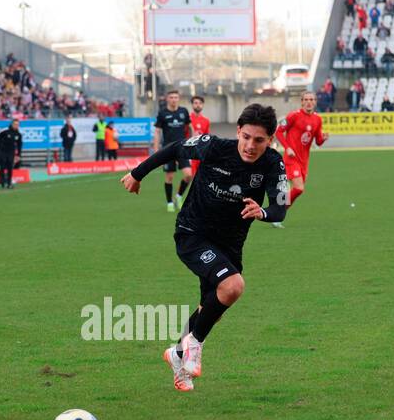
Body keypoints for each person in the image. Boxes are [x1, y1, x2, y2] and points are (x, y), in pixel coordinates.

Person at [119, 104, 288, 391]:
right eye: (246, 137)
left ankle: (177, 355)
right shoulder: (214, 146)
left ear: (270, 139)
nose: (250, 145)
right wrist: (137, 173)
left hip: (229, 243)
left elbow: (280, 208)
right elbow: (174, 148)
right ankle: (193, 345)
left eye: (259, 140)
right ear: (237, 132)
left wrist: (263, 213)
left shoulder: (273, 163)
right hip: (192, 234)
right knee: (233, 286)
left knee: (212, 307)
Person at [273, 91, 329, 226]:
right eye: (306, 99)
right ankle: (278, 213)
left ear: (315, 102)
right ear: (302, 102)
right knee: (299, 188)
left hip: (304, 161)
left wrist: (323, 139)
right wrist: (287, 148)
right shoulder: (294, 116)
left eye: (312, 99)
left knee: (298, 190)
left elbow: (318, 141)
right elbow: (278, 132)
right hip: (291, 159)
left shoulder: (317, 119)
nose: (309, 102)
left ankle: (277, 212)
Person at [154, 89, 193, 212]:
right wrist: (156, 149)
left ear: (178, 98)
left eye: (176, 97)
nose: (174, 99)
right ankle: (169, 202)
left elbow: (190, 127)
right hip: (168, 150)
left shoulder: (183, 111)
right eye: (171, 97)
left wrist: (192, 142)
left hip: (182, 148)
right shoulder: (162, 113)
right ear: (167, 99)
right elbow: (157, 131)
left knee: (188, 175)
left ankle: (179, 196)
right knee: (169, 177)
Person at [188, 95, 211, 180]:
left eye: (200, 103)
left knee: (202, 178)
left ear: (203, 105)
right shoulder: (188, 119)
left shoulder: (206, 120)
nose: (198, 105)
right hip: (190, 151)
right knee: (192, 177)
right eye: (195, 103)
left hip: (201, 152)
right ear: (192, 105)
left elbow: (207, 137)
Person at [0, 118, 22, 188]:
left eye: (17, 125)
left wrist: (18, 155)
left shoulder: (18, 134)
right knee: (2, 167)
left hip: (11, 153)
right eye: (15, 124)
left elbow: (19, 145)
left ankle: (9, 182)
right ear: (12, 124)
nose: (16, 126)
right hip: (3, 152)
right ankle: (2, 183)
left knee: (10, 167)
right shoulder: (5, 130)